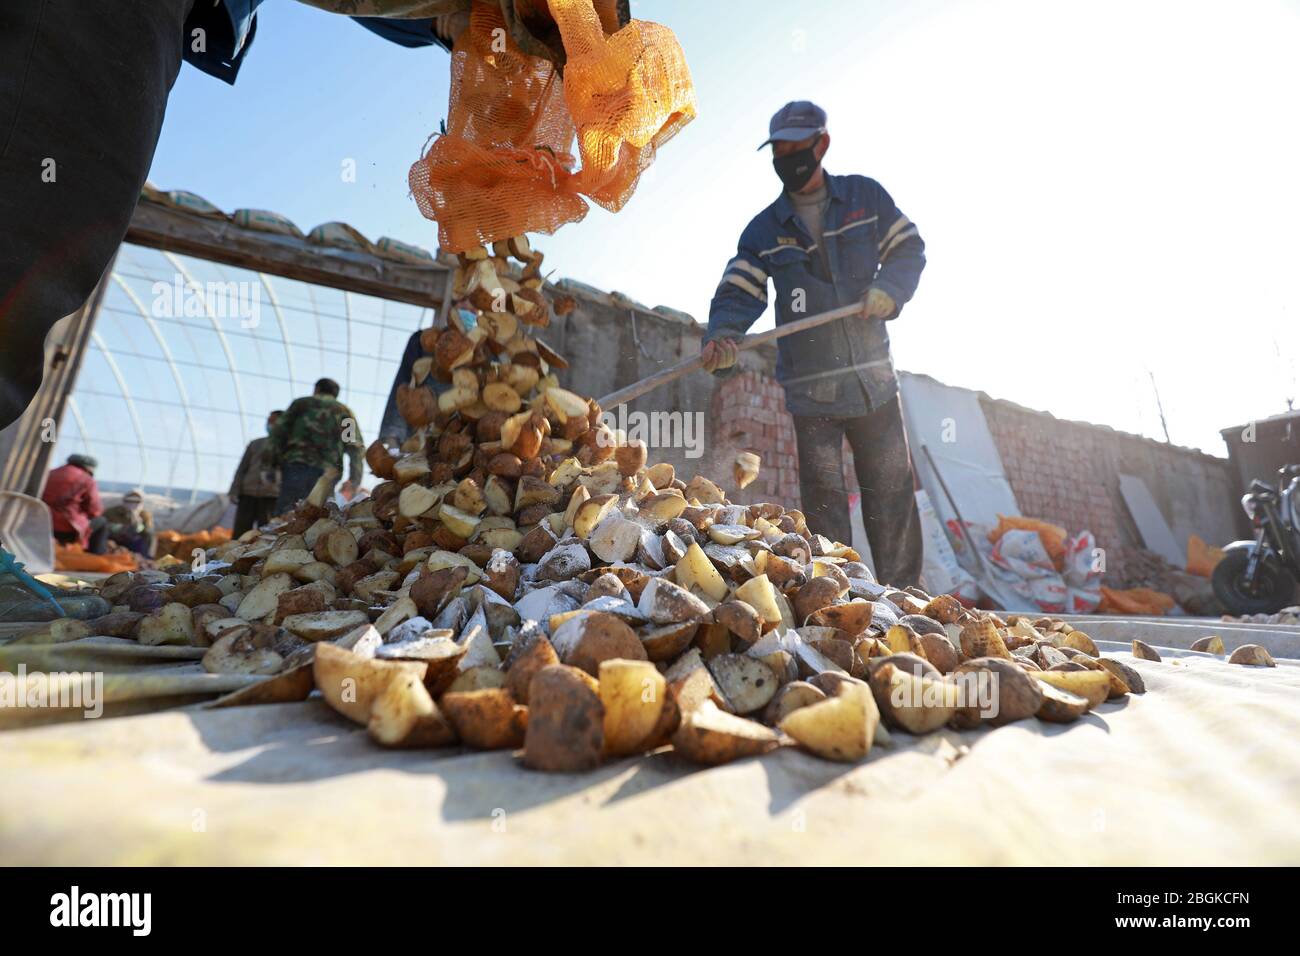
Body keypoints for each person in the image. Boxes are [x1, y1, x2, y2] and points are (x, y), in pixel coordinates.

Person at [0, 2, 464, 431]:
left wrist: (436, 21)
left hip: (152, 22)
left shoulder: (300, 411)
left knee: (41, 238)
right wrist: (440, 17)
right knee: (29, 230)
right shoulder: (336, 413)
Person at [700, 101, 927, 587]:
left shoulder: (865, 198)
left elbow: (908, 247)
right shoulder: (764, 230)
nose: (786, 159)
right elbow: (739, 291)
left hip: (873, 382)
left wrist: (891, 288)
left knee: (891, 494)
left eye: (795, 149)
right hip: (812, 392)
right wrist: (722, 335)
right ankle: (837, 596)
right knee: (824, 506)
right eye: (778, 152)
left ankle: (904, 599)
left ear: (820, 145)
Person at [267, 379, 364, 515]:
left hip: (297, 466)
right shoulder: (344, 412)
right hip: (328, 473)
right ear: (336, 394)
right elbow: (354, 446)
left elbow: (277, 434)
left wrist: (270, 465)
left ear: (317, 389)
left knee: (287, 514)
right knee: (320, 517)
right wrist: (355, 479)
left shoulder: (300, 404)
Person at [229, 410, 284, 536]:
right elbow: (242, 468)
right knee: (240, 532)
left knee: (266, 534)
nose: (270, 424)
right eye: (269, 421)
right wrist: (234, 490)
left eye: (274, 421)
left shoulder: (287, 447)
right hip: (248, 494)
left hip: (271, 497)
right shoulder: (256, 443)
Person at [42, 455, 106, 553]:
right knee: (102, 522)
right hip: (66, 529)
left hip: (41, 523)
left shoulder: (49, 473)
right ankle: (94, 556)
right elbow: (95, 510)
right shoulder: (86, 479)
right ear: (89, 467)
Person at [101, 490, 155, 557]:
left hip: (133, 542)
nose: (133, 504)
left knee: (150, 536)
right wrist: (117, 528)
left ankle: (146, 557)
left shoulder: (145, 515)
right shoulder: (111, 512)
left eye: (137, 502)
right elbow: (103, 526)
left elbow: (148, 532)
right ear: (124, 502)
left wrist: (138, 523)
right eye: (129, 501)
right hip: (114, 539)